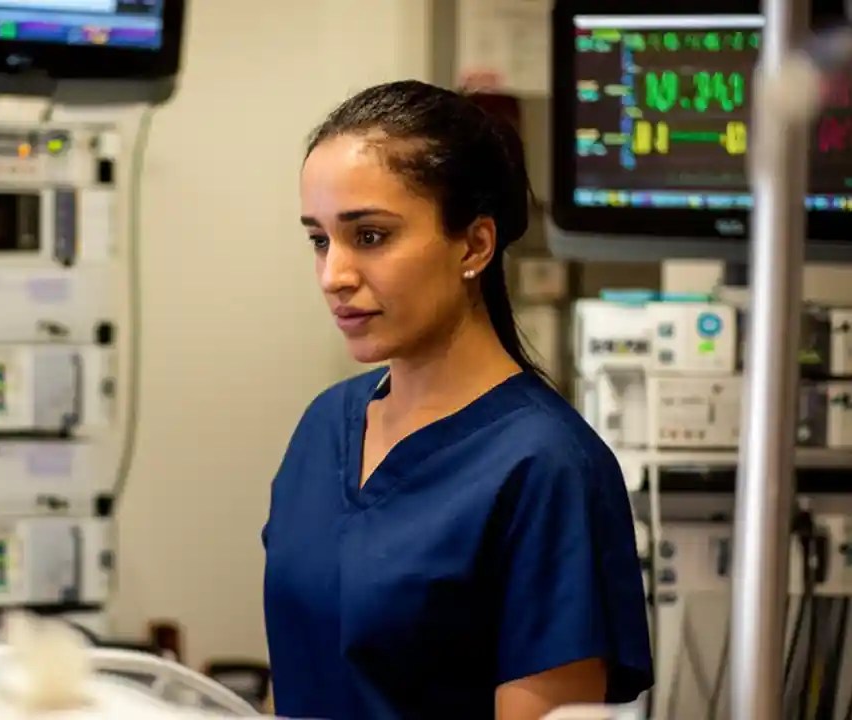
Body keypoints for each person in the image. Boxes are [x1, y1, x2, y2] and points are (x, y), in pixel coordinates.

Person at [261, 81, 654, 719]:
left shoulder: (546, 469)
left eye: (369, 237)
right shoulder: (325, 427)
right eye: (319, 239)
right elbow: (305, 666)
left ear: (473, 244)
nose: (334, 275)